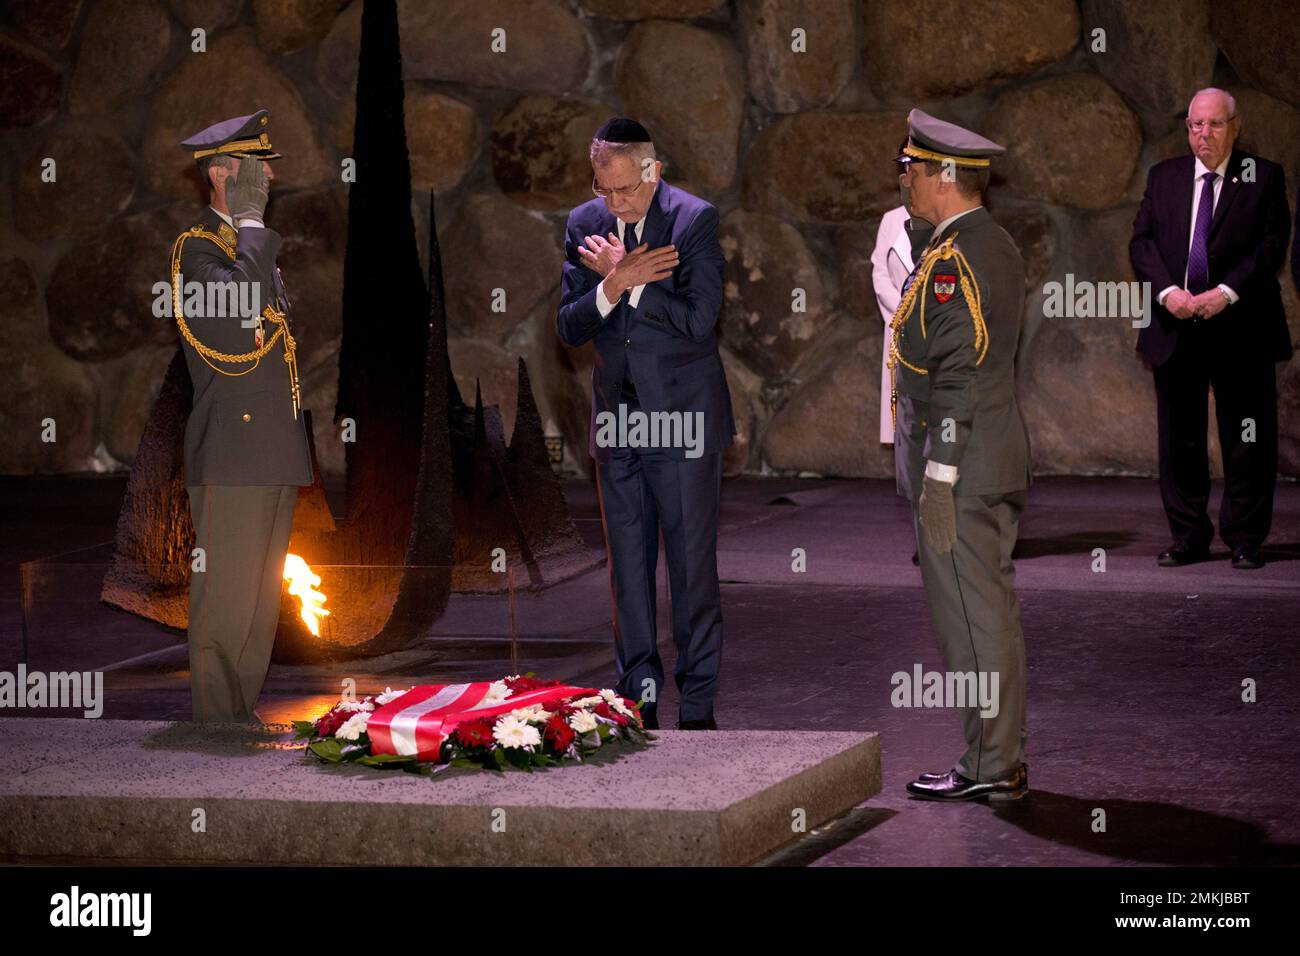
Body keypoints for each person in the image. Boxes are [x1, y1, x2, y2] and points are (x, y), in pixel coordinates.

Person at [556, 117, 735, 731]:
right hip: (618, 423)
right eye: (603, 190)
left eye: (625, 191)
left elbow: (699, 320)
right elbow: (569, 326)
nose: (614, 203)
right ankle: (641, 689)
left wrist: (632, 287)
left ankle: (700, 699)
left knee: (689, 563)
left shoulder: (694, 221)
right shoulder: (585, 225)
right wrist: (613, 282)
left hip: (682, 419)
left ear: (653, 171)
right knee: (627, 564)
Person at [888, 109, 1032, 801]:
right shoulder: (987, 243)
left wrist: (938, 477)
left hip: (962, 468)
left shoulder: (954, 263)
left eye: (912, 168)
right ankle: (995, 759)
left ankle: (991, 766)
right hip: (985, 458)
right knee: (986, 615)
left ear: (943, 175)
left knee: (972, 623)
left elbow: (959, 375)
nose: (904, 179)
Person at [172, 109, 313, 723]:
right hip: (234, 447)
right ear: (223, 172)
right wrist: (252, 224)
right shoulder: (197, 249)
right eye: (258, 168)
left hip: (271, 446)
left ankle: (237, 717)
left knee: (259, 604)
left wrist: (252, 232)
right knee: (226, 598)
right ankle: (213, 719)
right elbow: (232, 326)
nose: (270, 180)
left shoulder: (241, 247)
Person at [1130, 88, 1293, 570]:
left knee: (1247, 439)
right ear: (1188, 129)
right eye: (1197, 125)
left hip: (1241, 328)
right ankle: (1188, 538)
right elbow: (1141, 244)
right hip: (1176, 326)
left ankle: (1245, 539)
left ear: (1234, 127)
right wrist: (1167, 294)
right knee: (1180, 440)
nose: (1204, 134)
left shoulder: (1262, 176)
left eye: (1215, 124)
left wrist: (1224, 293)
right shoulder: (1165, 178)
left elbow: (1270, 246)